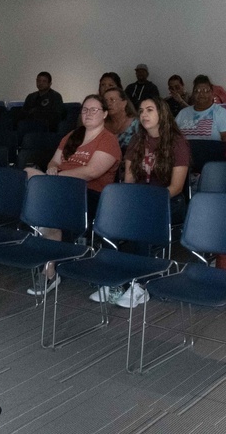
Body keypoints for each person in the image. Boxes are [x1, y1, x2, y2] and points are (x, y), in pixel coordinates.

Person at [93, 97, 190, 308]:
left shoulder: (177, 142)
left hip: (168, 201)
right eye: (141, 111)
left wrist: (148, 202)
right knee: (108, 222)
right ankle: (114, 281)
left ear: (162, 114)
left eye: (150, 110)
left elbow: (177, 186)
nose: (144, 114)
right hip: (139, 200)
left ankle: (141, 285)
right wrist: (129, 204)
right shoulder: (137, 141)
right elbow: (129, 180)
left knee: (142, 223)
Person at [23, 95, 121, 295]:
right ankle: (44, 223)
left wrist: (56, 178)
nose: (88, 113)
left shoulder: (108, 141)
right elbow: (53, 162)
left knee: (49, 214)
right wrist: (51, 171)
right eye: (85, 109)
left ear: (104, 114)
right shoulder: (71, 136)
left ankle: (49, 269)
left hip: (90, 196)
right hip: (60, 190)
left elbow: (91, 172)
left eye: (94, 110)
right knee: (27, 172)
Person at [176, 75, 226, 141]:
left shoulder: (219, 111)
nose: (201, 94)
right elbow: (171, 136)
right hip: (184, 150)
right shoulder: (183, 113)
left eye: (205, 90)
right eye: (197, 91)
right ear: (193, 94)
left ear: (212, 94)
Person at [103, 87, 139, 156]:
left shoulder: (136, 124)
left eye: (112, 100)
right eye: (105, 101)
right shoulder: (101, 125)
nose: (108, 104)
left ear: (124, 103)